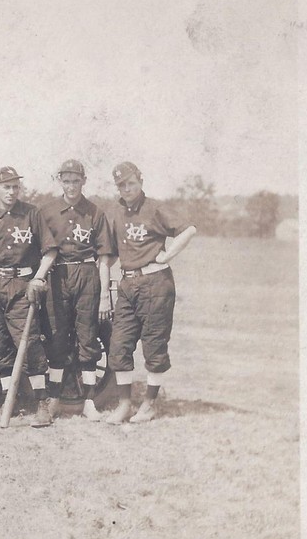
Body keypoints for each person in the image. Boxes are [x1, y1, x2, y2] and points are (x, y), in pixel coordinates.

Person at [105, 162, 197, 424]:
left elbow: (188, 229)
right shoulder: (117, 211)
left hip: (155, 283)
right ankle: (124, 404)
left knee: (154, 346)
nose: (127, 189)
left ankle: (149, 403)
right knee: (119, 345)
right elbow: (111, 253)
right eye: (121, 185)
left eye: (131, 183)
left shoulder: (154, 207)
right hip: (127, 284)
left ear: (141, 181)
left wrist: (168, 254)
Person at [0, 167, 58, 428]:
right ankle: (10, 398)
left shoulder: (32, 213)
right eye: (6, 186)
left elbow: (50, 251)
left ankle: (42, 402)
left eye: (15, 186)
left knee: (28, 342)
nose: (11, 191)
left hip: (22, 284)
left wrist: (38, 278)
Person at [39, 160, 115, 420]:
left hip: (86, 274)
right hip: (57, 275)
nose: (71, 186)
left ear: (84, 181)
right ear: (59, 181)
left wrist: (104, 294)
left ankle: (90, 401)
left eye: (76, 180)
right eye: (66, 181)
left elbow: (105, 257)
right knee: (57, 337)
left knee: (87, 335)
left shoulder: (95, 212)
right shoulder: (47, 212)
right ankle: (55, 398)